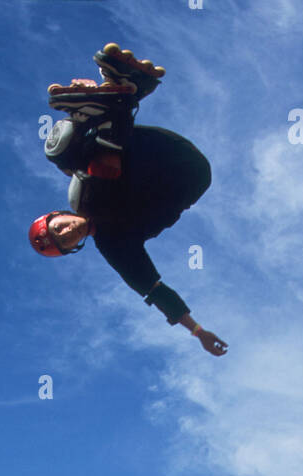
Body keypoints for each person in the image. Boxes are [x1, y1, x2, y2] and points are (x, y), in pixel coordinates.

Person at [29, 44, 227, 355]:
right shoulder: (114, 246)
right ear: (74, 248)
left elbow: (77, 163)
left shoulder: (80, 192)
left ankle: (121, 95)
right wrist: (198, 331)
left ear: (58, 215)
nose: (67, 232)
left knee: (62, 154)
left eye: (60, 227)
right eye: (64, 240)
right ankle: (122, 97)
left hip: (161, 151)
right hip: (188, 177)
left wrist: (81, 126)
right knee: (81, 171)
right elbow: (152, 290)